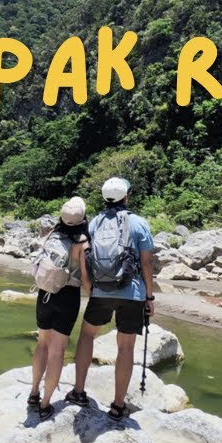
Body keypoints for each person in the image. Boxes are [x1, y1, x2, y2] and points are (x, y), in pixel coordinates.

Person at [68, 176, 155, 421]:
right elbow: (147, 262)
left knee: (87, 334)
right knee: (125, 346)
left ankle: (78, 391)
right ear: (126, 196)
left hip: (101, 291)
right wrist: (149, 296)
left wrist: (90, 287)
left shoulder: (94, 223)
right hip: (132, 292)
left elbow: (86, 256)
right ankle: (117, 406)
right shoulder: (138, 223)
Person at [27, 196, 91, 420]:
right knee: (57, 351)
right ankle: (45, 404)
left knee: (42, 344)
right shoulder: (82, 242)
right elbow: (84, 279)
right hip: (67, 297)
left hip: (45, 293)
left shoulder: (52, 234)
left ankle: (33, 393)